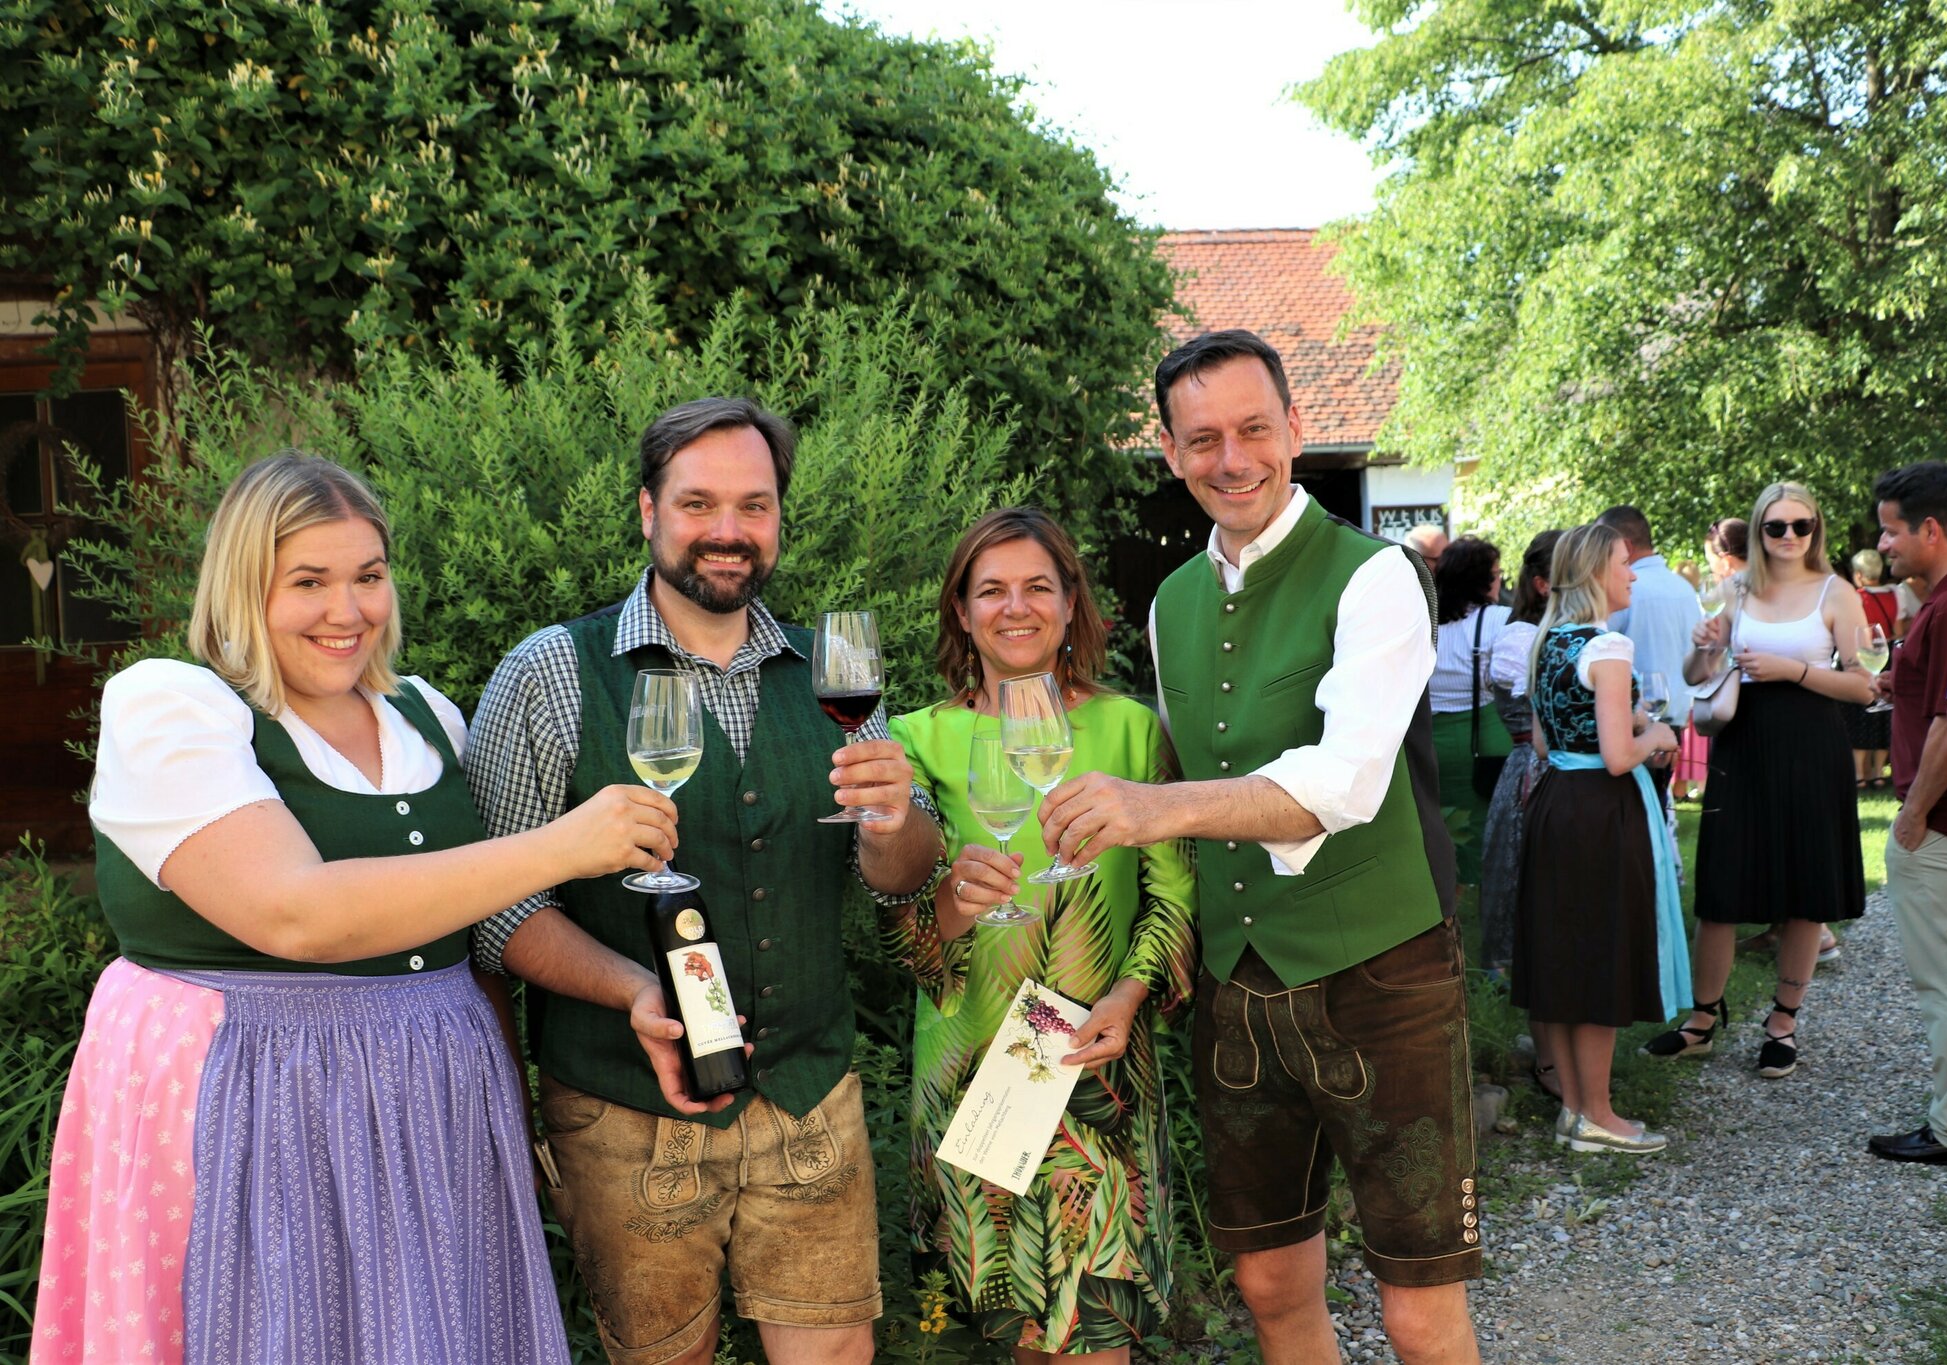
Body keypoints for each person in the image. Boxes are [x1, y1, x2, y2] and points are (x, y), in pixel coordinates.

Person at [32, 452, 682, 1364]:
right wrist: (566, 843)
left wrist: (628, 991)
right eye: (309, 581)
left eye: (368, 577)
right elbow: (298, 913)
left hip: (434, 1093)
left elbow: (480, 923)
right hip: (257, 1084)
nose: (348, 611)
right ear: (240, 587)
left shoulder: (425, 716)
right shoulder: (174, 708)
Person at [464, 398, 945, 1365]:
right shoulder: (553, 671)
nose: (728, 531)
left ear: (779, 520)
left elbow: (898, 880)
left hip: (810, 1092)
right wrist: (631, 986)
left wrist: (901, 820)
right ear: (648, 511)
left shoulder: (831, 671)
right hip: (626, 1110)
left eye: (755, 506)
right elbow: (496, 908)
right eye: (699, 503)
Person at [1039, 330, 1482, 1365]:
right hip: (1239, 986)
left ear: (1293, 426)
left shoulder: (1374, 576)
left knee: (1417, 1308)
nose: (1230, 458)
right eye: (1201, 439)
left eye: (1251, 429)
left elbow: (1341, 783)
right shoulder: (1170, 604)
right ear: (1168, 450)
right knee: (1267, 1281)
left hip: (1385, 975)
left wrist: (1152, 810)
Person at [882, 507, 1198, 1361]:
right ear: (961, 610)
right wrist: (951, 898)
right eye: (990, 589)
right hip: (970, 1073)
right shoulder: (914, 738)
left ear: (1069, 604)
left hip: (1096, 1069)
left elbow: (1173, 894)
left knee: (1096, 1337)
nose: (1013, 607)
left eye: (1035, 586)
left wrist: (1131, 996)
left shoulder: (1130, 727)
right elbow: (904, 933)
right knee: (1001, 1331)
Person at [1648, 483, 1877, 1077]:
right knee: (1722, 886)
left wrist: (1793, 670)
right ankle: (1702, 1019)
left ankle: (1783, 1022)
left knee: (1806, 889)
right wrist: (1702, 649)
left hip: (1811, 744)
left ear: (1816, 529)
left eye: (1800, 526)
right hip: (1744, 742)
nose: (1789, 538)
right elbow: (1698, 672)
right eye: (1776, 527)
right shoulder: (1737, 589)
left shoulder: (1836, 593)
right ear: (1758, 530)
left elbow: (1862, 685)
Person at [1515, 523, 1685, 1154]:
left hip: (1556, 803)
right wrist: (1657, 738)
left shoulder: (1548, 641)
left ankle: (1574, 1110)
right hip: (1600, 810)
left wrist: (1630, 718)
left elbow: (1542, 740)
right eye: (1623, 562)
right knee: (1600, 954)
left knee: (1564, 954)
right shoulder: (1608, 646)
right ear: (1595, 573)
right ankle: (1599, 1116)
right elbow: (1618, 757)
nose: (1632, 573)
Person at [1864, 462, 1947, 1168]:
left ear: (1930, 528)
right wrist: (1903, 677)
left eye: (1890, 530)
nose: (1883, 544)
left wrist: (1913, 813)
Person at [1477, 528, 1560, 977]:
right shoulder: (1522, 638)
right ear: (1543, 584)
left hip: (1553, 767)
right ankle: (1522, 973)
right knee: (1523, 873)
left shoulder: (1560, 633)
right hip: (1535, 769)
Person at [1599, 505, 1703, 801]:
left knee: (1634, 810)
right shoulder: (1684, 589)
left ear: (1625, 545)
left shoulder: (1627, 589)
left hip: (1633, 720)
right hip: (1674, 717)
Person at [1428, 535, 1513, 888]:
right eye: (1496, 573)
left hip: (1430, 741)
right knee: (1487, 827)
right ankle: (1487, 897)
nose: (1500, 580)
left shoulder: (1424, 618)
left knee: (1440, 828)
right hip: (1486, 740)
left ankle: (1447, 896)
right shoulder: (1500, 619)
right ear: (1480, 579)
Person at [1847, 548, 1907, 788]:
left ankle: (1859, 774)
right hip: (1888, 654)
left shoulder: (1854, 596)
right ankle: (1878, 772)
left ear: (1859, 574)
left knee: (1857, 714)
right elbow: (1900, 630)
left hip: (1861, 655)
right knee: (1884, 715)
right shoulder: (1896, 593)